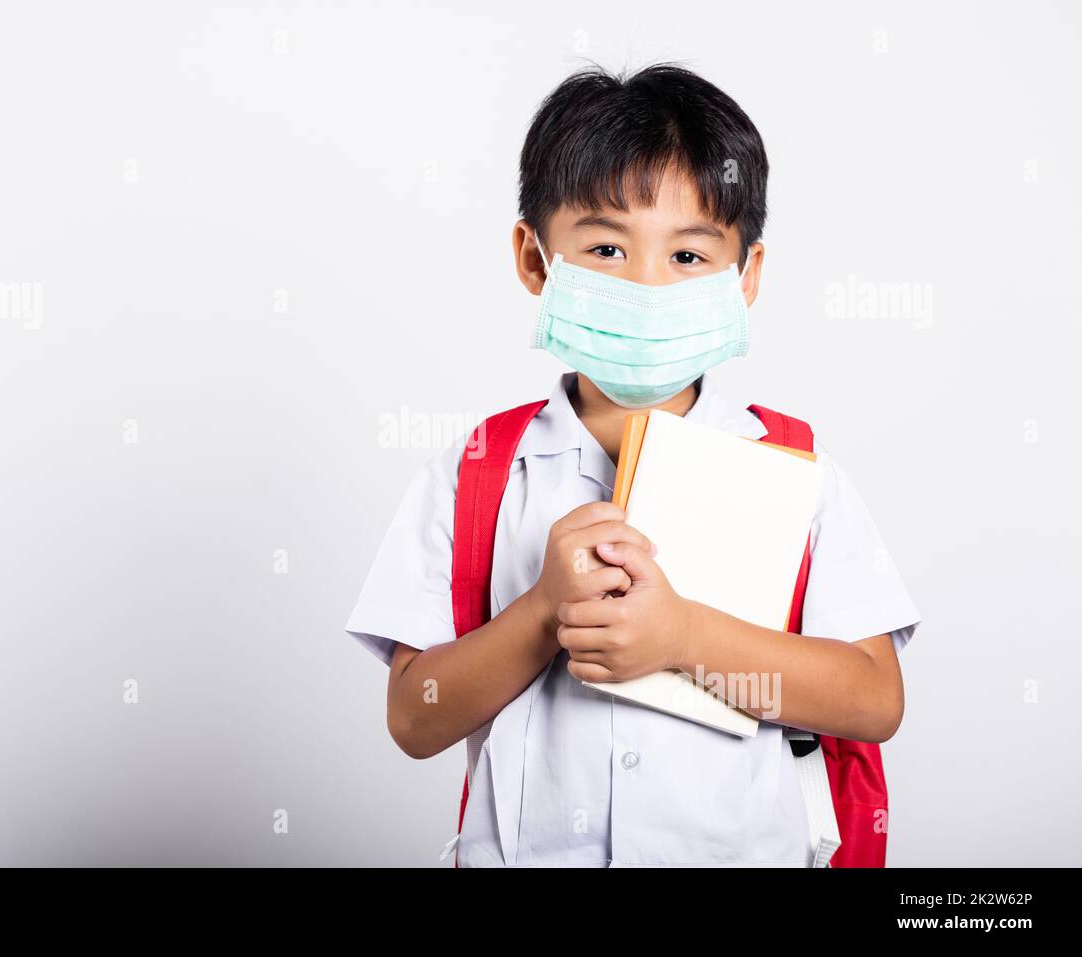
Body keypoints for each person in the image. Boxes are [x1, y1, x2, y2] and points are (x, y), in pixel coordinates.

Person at [345, 64, 921, 867]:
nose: (648, 286)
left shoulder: (796, 471)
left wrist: (682, 635)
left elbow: (872, 696)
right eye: (607, 246)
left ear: (745, 276)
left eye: (689, 256)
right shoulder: (475, 471)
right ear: (537, 260)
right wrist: (543, 610)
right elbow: (416, 716)